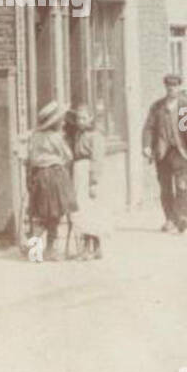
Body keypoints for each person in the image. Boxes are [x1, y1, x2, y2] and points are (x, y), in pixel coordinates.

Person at [141, 74, 187, 234]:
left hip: (180, 152)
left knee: (181, 186)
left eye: (174, 86)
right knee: (165, 187)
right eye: (168, 86)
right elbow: (149, 127)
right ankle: (169, 219)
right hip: (162, 152)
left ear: (179, 87)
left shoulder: (183, 108)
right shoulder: (158, 107)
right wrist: (146, 145)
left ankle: (182, 217)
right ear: (165, 87)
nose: (171, 89)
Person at [27, 100, 75, 261]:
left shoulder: (35, 137)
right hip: (55, 176)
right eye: (61, 120)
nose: (63, 122)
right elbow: (68, 156)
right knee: (55, 213)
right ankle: (50, 249)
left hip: (39, 176)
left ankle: (34, 250)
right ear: (55, 123)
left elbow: (30, 158)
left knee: (40, 214)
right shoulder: (56, 138)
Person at [68, 104, 110, 259]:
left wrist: (94, 181)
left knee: (91, 210)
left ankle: (92, 247)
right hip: (79, 172)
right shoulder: (79, 133)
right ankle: (91, 247)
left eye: (84, 118)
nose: (80, 121)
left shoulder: (95, 135)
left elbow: (97, 159)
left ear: (91, 118)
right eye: (78, 118)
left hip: (88, 172)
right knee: (82, 210)